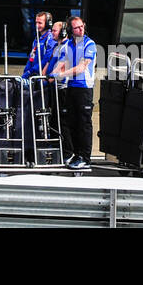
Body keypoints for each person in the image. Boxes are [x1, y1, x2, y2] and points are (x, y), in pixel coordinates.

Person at [52, 16, 97, 171]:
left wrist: (61, 75)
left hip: (84, 88)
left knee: (84, 124)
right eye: (77, 27)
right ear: (70, 30)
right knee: (72, 123)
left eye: (82, 26)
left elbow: (81, 67)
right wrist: (53, 74)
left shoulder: (89, 44)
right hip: (71, 87)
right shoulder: (68, 46)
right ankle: (76, 155)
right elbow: (61, 64)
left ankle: (85, 157)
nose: (81, 29)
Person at [20, 11, 56, 81]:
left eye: (40, 23)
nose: (37, 25)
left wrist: (30, 71)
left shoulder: (50, 38)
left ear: (48, 24)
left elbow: (46, 59)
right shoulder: (36, 40)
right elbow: (31, 58)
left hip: (42, 78)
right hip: (33, 76)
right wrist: (26, 72)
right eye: (36, 22)